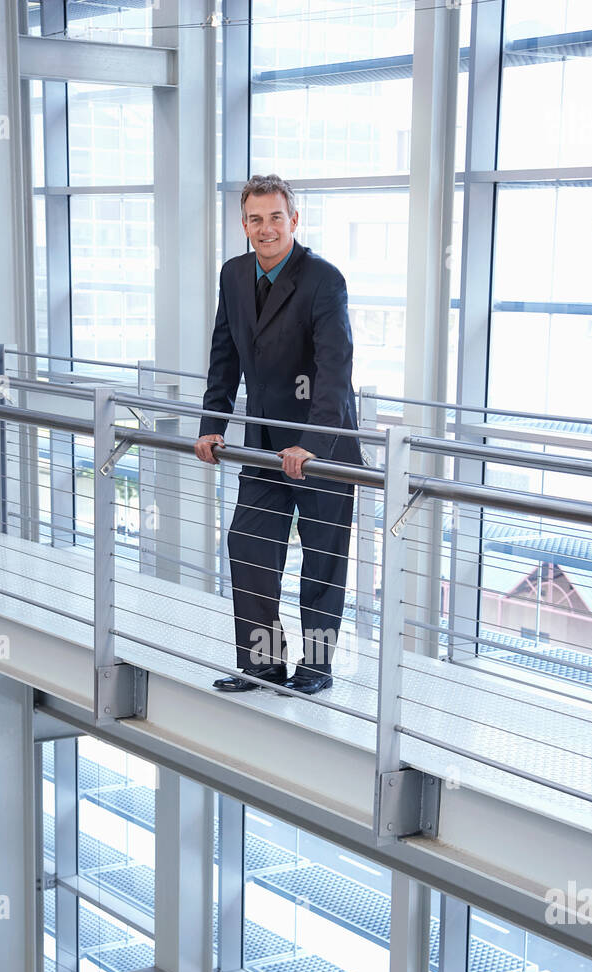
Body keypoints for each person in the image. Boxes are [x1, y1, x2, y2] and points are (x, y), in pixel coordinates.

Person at [196, 173, 362, 695]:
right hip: (264, 446)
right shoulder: (233, 274)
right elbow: (224, 356)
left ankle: (315, 669)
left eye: (275, 217)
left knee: (322, 563)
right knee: (249, 550)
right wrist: (212, 425)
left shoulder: (323, 280)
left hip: (323, 448)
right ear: (243, 223)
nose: (265, 228)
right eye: (254, 219)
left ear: (293, 219)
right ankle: (264, 664)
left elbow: (335, 371)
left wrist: (311, 443)